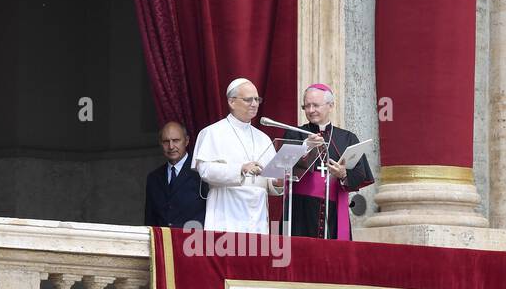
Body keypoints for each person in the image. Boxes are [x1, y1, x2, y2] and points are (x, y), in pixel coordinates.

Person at [192, 78, 284, 233]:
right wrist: (240, 168)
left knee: (255, 256)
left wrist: (278, 182)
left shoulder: (263, 138)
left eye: (257, 99)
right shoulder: (212, 132)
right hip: (226, 212)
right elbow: (205, 170)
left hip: (257, 216)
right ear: (232, 102)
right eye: (249, 99)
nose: (254, 104)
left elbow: (270, 182)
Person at [284, 83, 374, 238]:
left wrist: (344, 174)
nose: (311, 110)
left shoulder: (347, 138)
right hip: (300, 210)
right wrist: (306, 147)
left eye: (315, 105)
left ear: (330, 105)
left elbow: (361, 174)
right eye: (306, 106)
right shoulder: (294, 134)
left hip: (334, 210)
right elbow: (282, 169)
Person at [144, 120, 206, 228]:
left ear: (186, 141)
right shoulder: (153, 178)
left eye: (176, 140)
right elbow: (150, 219)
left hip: (193, 241)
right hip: (163, 241)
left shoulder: (201, 172)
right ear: (160, 144)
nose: (171, 146)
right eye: (166, 141)